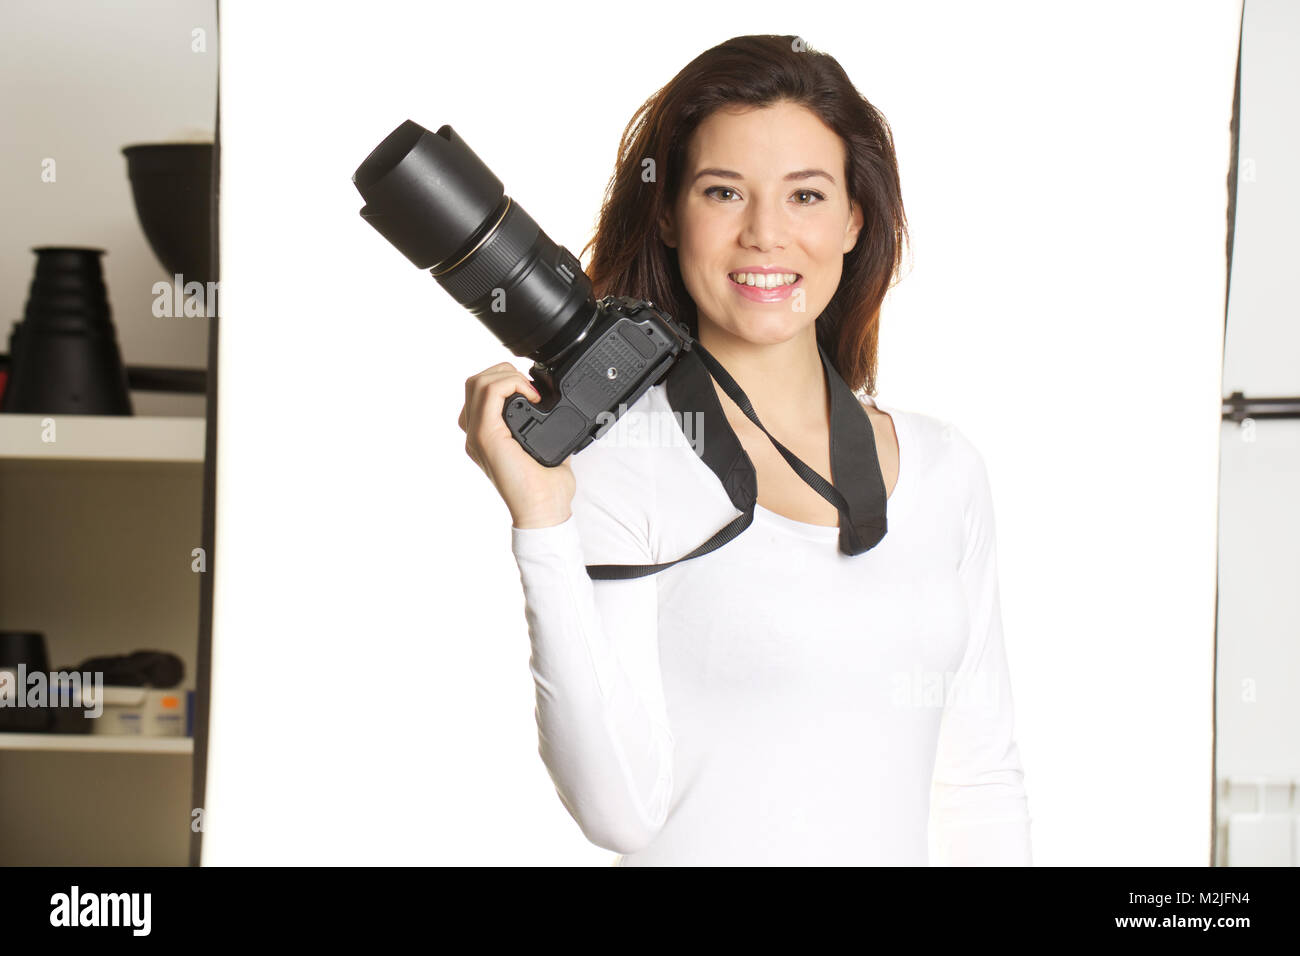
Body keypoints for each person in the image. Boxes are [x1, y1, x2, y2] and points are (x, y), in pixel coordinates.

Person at [457, 34, 1032, 865]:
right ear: (668, 211)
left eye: (805, 196)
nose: (766, 234)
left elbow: (979, 782)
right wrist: (543, 526)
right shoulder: (612, 463)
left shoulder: (945, 471)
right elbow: (621, 812)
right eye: (724, 192)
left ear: (852, 219)